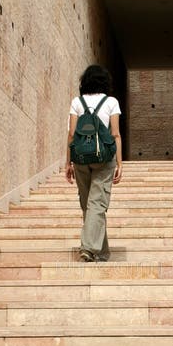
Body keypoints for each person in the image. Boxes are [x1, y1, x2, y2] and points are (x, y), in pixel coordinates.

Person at [66, 65, 123, 261]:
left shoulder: (77, 102)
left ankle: (102, 252)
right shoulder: (111, 102)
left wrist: (68, 163)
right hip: (104, 159)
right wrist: (119, 163)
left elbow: (72, 134)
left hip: (81, 158)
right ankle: (89, 248)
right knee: (96, 204)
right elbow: (115, 134)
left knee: (89, 205)